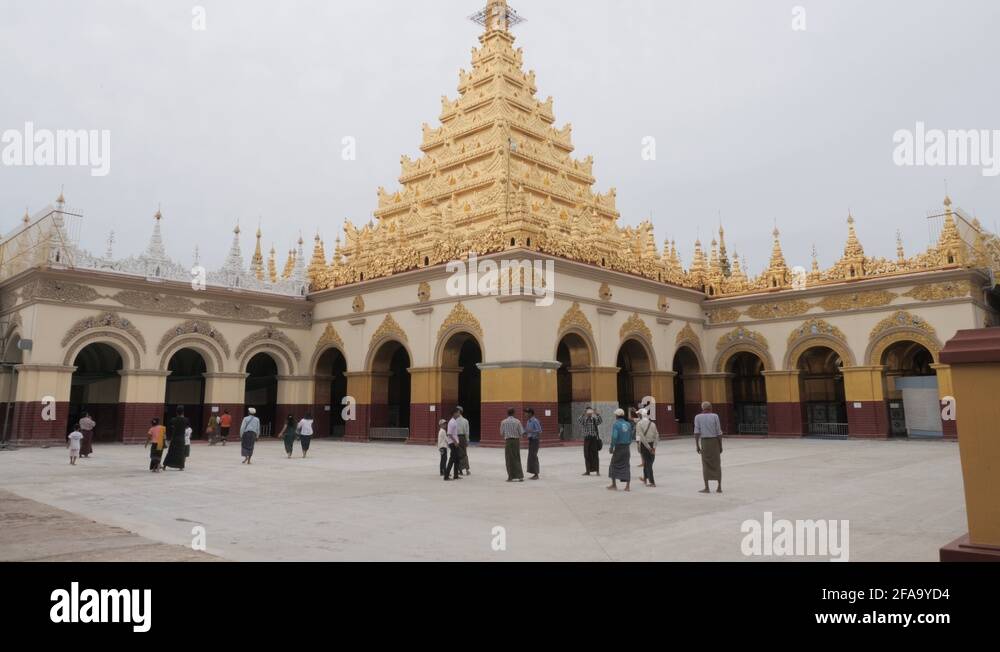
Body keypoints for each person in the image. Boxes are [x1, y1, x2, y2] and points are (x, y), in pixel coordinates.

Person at [694, 401, 724, 494]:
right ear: (710, 408)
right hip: (714, 441)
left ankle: (707, 487)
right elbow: (719, 432)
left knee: (705, 464)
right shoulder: (715, 416)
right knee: (717, 464)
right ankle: (719, 487)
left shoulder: (697, 417)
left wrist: (697, 445)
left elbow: (696, 432)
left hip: (705, 442)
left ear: (702, 408)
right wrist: (720, 445)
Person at [607, 409, 632, 492]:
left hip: (619, 447)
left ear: (616, 416)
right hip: (626, 448)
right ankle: (627, 486)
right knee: (626, 466)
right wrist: (627, 443)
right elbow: (631, 436)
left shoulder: (616, 424)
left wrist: (611, 447)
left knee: (613, 465)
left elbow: (614, 436)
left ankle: (614, 485)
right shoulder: (628, 424)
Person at [635, 408, 659, 488]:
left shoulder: (639, 424)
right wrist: (654, 447)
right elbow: (657, 436)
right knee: (647, 463)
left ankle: (652, 482)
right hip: (652, 445)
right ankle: (645, 478)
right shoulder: (653, 424)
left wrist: (648, 448)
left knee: (648, 464)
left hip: (645, 446)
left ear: (641, 415)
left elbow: (641, 437)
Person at [162, 406, 189, 471]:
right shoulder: (186, 420)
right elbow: (186, 427)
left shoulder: (173, 419)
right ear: (183, 412)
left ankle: (165, 465)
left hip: (174, 438)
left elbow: (171, 427)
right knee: (181, 452)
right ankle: (181, 466)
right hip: (181, 438)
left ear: (176, 412)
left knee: (171, 452)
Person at [501, 408, 525, 483]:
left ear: (507, 413)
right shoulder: (517, 421)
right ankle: (520, 476)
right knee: (517, 458)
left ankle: (510, 477)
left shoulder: (503, 422)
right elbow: (521, 432)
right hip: (516, 441)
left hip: (508, 441)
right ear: (514, 413)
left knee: (509, 459)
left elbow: (501, 433)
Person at [579, 407, 603, 476]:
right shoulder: (584, 420)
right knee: (587, 455)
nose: (589, 413)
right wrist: (583, 414)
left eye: (590, 411)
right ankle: (588, 471)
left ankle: (597, 471)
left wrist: (597, 414)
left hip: (594, 439)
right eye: (588, 411)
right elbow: (579, 420)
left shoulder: (594, 419)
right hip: (586, 439)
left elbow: (600, 421)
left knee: (595, 455)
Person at [443, 416, 463, 482]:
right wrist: (455, 442)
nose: (459, 414)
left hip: (455, 443)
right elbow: (449, 434)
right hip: (453, 443)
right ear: (454, 413)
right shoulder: (451, 422)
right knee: (452, 459)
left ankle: (456, 475)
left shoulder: (454, 421)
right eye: (458, 412)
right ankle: (446, 476)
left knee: (457, 459)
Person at [525, 407, 542, 480]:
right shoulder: (528, 421)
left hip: (535, 440)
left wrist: (531, 431)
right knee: (531, 457)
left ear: (530, 413)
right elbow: (527, 430)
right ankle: (534, 473)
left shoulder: (535, 421)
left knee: (534, 457)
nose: (525, 414)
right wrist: (525, 432)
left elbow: (539, 431)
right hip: (530, 440)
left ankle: (536, 474)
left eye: (526, 412)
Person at [456, 405, 471, 476]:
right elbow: (467, 432)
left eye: (456, 411)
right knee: (464, 453)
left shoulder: (455, 421)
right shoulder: (465, 420)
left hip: (458, 438)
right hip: (463, 438)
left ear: (459, 412)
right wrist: (467, 440)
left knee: (458, 453)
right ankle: (467, 470)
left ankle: (460, 470)